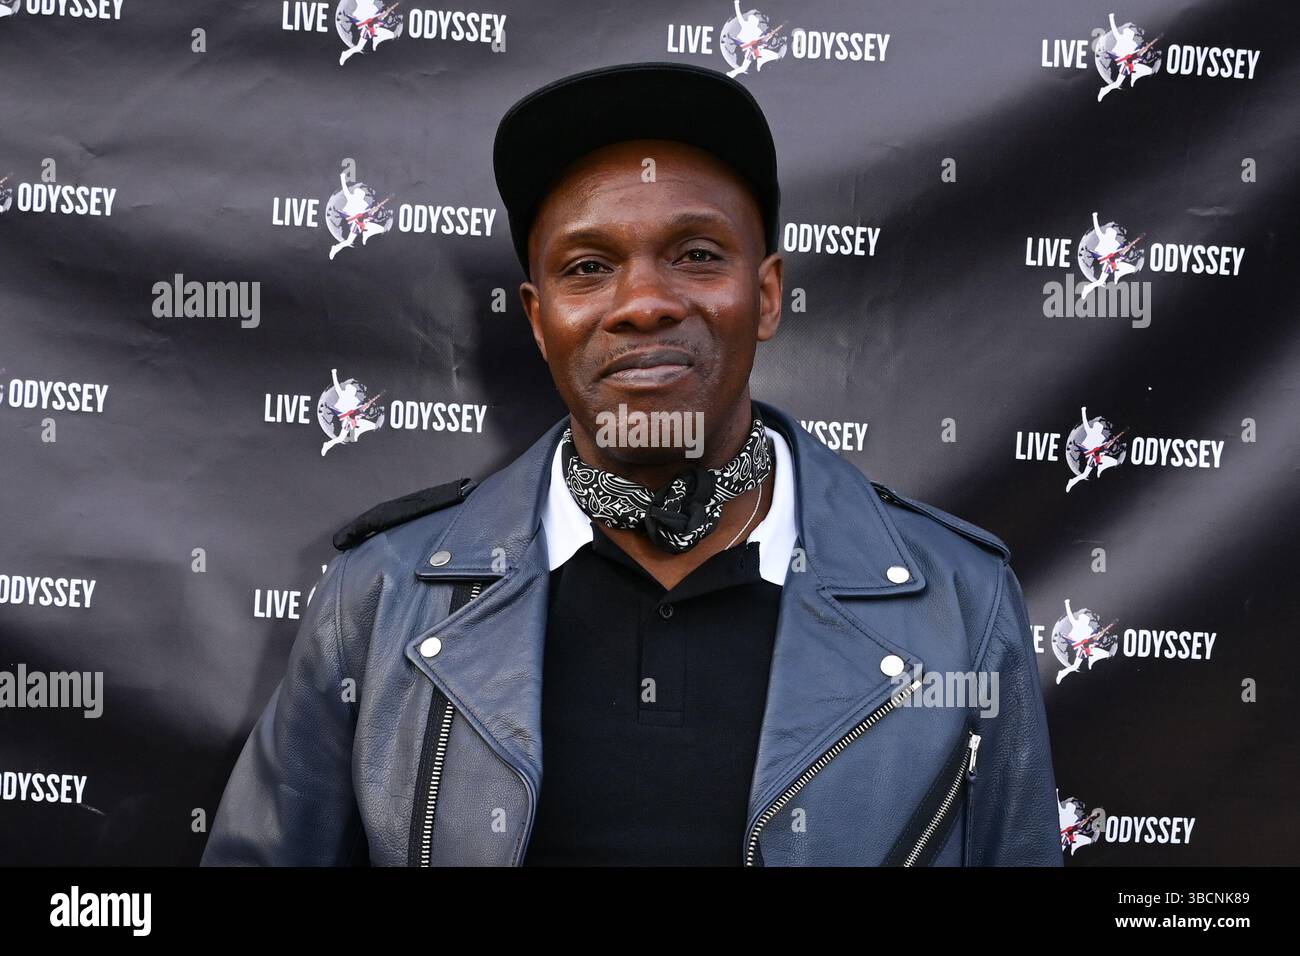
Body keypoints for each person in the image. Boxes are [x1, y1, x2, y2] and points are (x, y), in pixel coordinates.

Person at [201, 61, 1062, 866]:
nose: (645, 303)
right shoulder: (382, 596)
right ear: (540, 322)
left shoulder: (958, 602)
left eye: (695, 254)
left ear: (764, 296)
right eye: (589, 267)